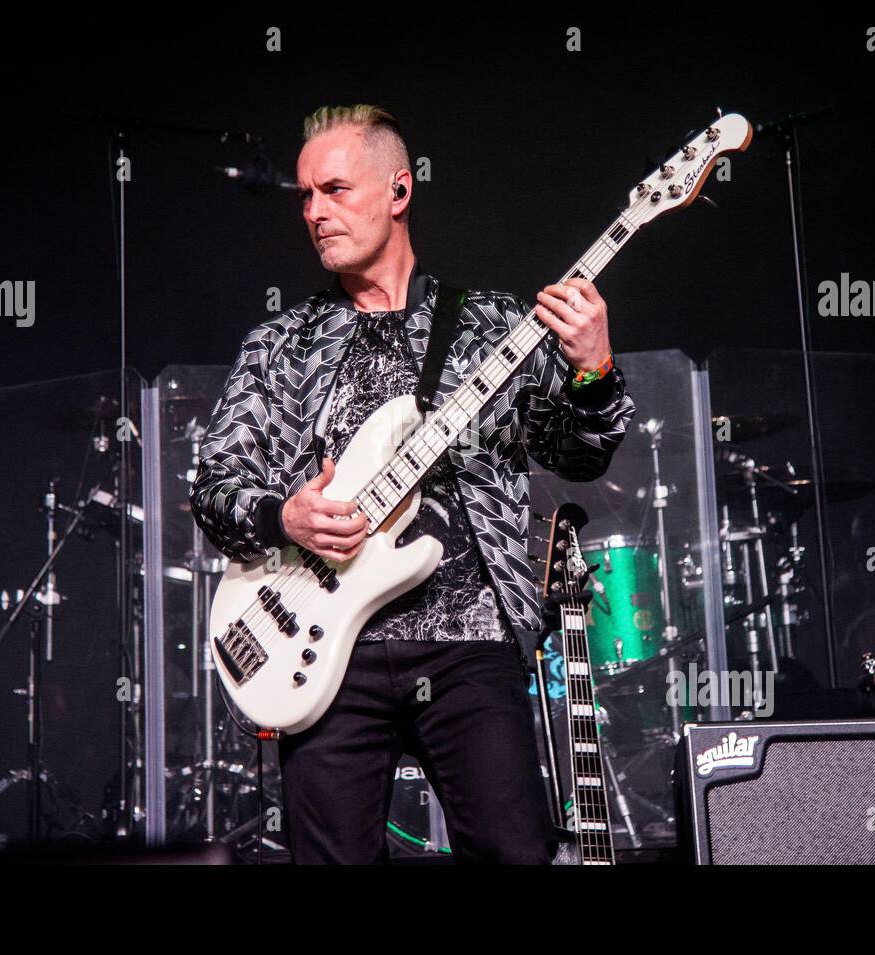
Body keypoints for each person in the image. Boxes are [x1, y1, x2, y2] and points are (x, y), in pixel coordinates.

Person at [190, 104, 635, 863]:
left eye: (334, 189)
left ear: (399, 191)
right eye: (304, 197)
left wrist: (593, 367)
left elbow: (579, 453)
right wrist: (282, 515)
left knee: (514, 852)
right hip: (326, 656)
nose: (314, 213)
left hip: (470, 646)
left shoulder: (491, 322)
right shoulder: (280, 343)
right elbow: (214, 487)